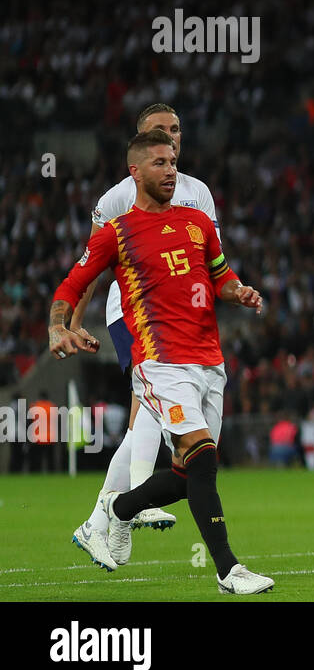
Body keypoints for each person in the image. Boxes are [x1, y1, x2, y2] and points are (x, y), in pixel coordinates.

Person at [52, 128, 274, 594]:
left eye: (172, 161)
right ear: (135, 171)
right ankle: (229, 571)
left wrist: (240, 292)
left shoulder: (196, 221)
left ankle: (116, 510)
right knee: (203, 458)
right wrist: (59, 325)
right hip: (160, 362)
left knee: (185, 474)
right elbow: (72, 284)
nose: (170, 170)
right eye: (159, 163)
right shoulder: (118, 232)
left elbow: (221, 277)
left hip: (209, 361)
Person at [66, 104, 220, 562]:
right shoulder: (117, 197)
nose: (169, 139)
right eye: (159, 133)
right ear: (138, 146)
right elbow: (91, 264)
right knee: (149, 413)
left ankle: (104, 520)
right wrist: (74, 321)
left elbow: (211, 262)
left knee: (148, 419)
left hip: (185, 322)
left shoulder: (199, 193)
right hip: (134, 314)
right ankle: (130, 505)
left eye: (175, 130)